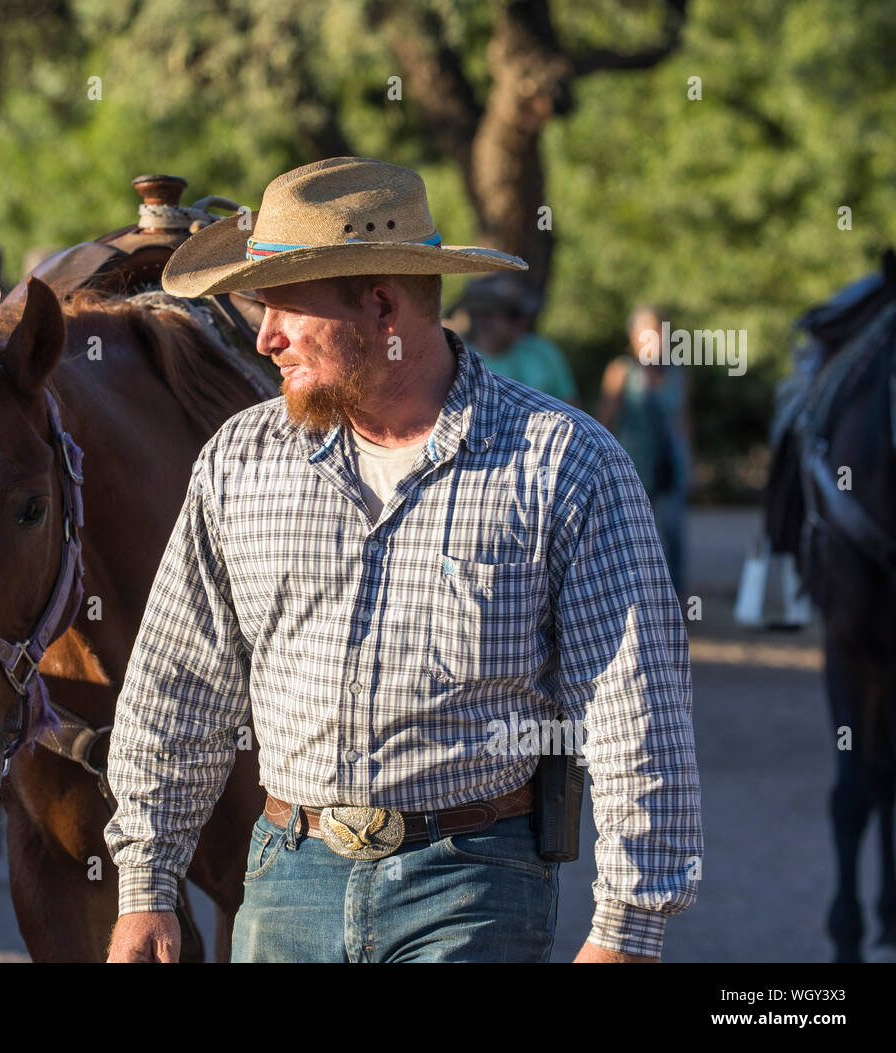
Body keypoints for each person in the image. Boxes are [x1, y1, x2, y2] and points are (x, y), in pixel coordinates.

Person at [103, 157, 701, 963]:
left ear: (383, 306)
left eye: (283, 306)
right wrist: (146, 884)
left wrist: (627, 930)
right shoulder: (239, 462)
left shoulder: (564, 463)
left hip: (474, 884)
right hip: (287, 879)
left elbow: (636, 708)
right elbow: (178, 684)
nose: (263, 335)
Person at [597, 305, 692, 597]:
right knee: (631, 536)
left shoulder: (677, 373)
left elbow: (684, 422)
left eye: (660, 330)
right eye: (648, 330)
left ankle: (676, 600)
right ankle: (630, 597)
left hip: (670, 467)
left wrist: (690, 464)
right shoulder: (621, 371)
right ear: (634, 336)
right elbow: (604, 423)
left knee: (674, 533)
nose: (656, 337)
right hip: (632, 468)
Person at [445, 273, 579, 406]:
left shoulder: (543, 351)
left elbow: (572, 409)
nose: (523, 320)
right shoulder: (458, 359)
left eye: (525, 313)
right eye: (513, 314)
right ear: (483, 316)